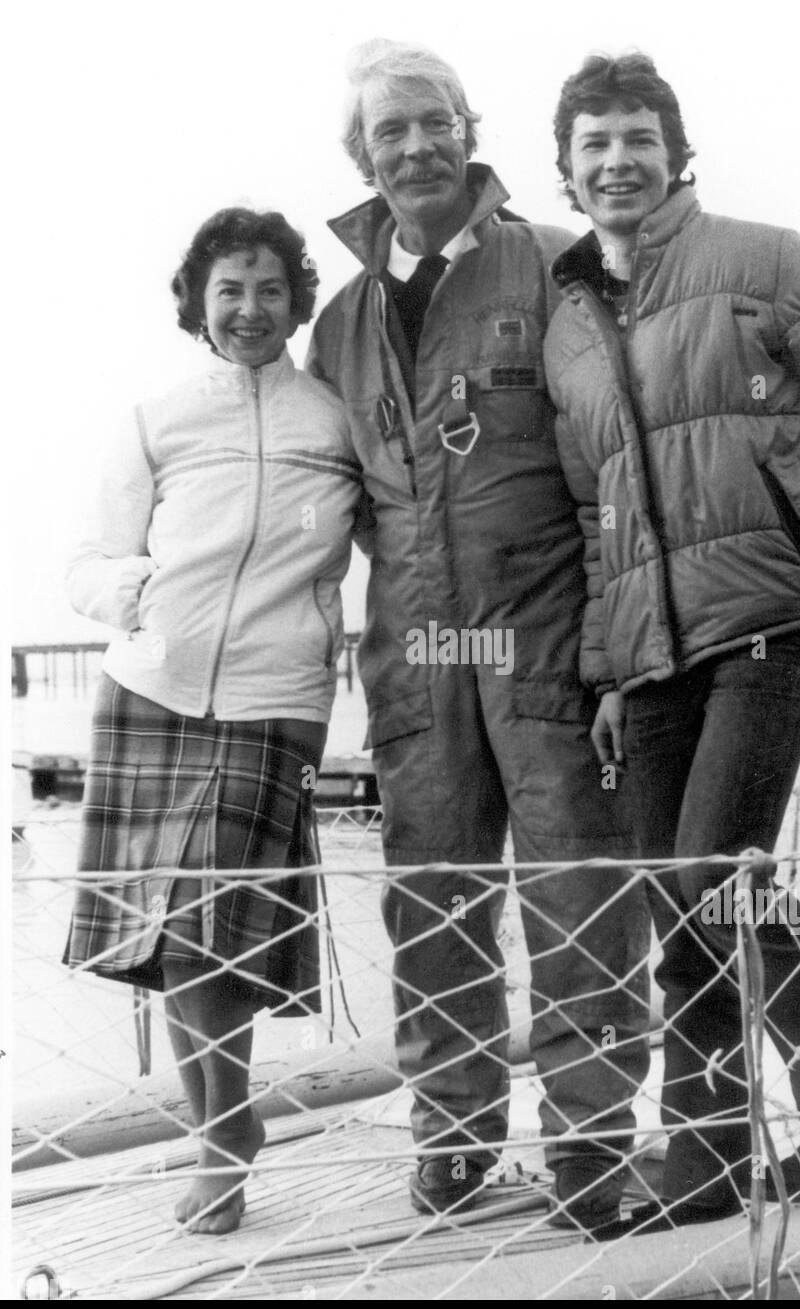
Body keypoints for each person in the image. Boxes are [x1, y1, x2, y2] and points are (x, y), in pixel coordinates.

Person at [544, 52, 800, 1228]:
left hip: (765, 624)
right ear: (565, 169)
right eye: (593, 144)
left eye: (636, 139)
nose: (617, 161)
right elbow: (593, 512)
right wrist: (605, 669)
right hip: (651, 658)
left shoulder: (759, 259)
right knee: (691, 900)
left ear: (675, 152)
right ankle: (717, 1158)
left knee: (711, 883)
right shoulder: (566, 324)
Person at [308, 38, 650, 1233]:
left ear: (468, 128)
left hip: (545, 642)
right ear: (362, 156)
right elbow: (323, 504)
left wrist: (611, 650)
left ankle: (594, 1155)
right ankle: (450, 1142)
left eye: (431, 122)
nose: (414, 147)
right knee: (433, 898)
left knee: (581, 896)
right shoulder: (338, 323)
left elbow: (615, 469)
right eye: (388, 132)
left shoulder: (556, 271)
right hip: (413, 653)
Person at [65, 208, 364, 1234]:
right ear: (196, 299)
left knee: (213, 942)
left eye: (270, 288)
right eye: (229, 288)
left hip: (276, 696)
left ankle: (222, 1137)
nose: (249, 308)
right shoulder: (156, 418)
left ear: (296, 300)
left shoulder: (333, 418)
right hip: (153, 692)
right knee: (163, 939)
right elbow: (88, 562)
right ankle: (222, 1133)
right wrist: (130, 595)